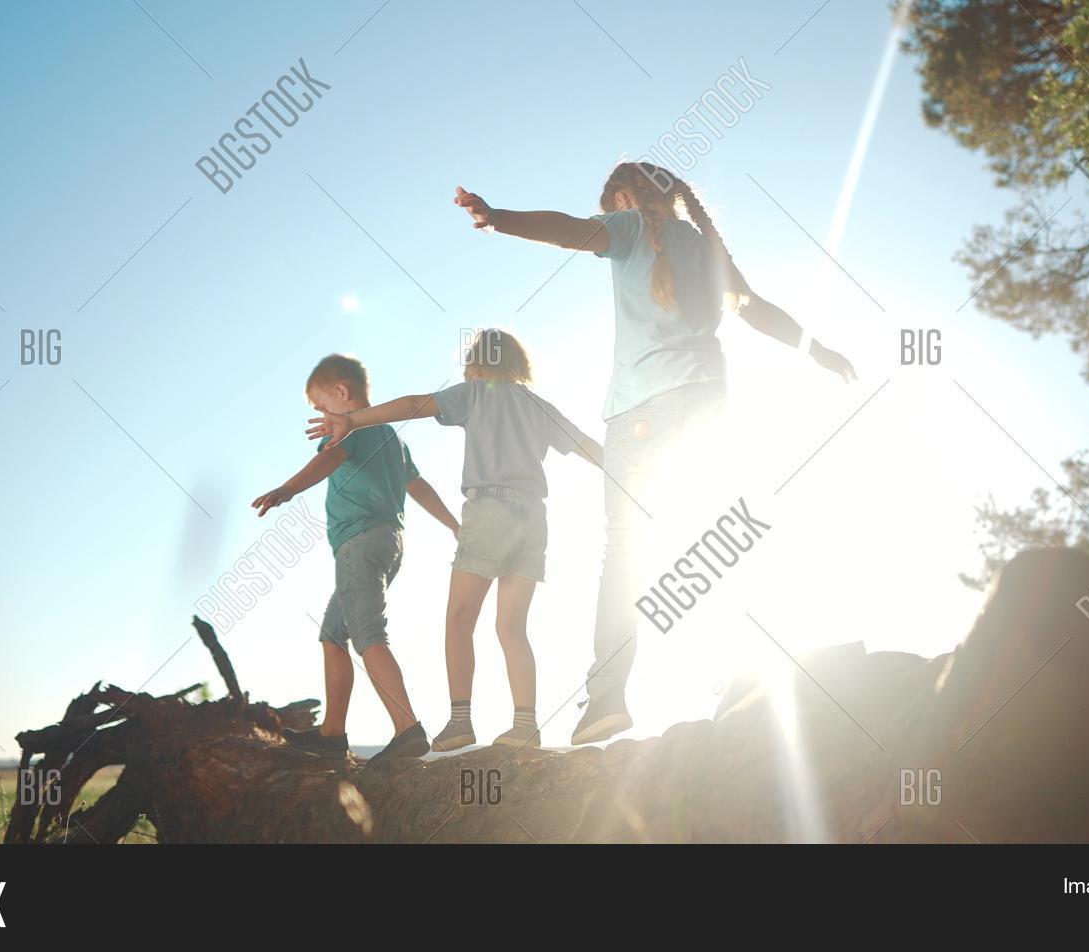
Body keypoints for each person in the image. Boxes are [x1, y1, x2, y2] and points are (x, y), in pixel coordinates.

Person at [453, 161, 857, 744]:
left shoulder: (629, 228)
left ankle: (606, 698)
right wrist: (818, 350)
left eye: (610, 204)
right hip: (710, 403)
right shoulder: (707, 246)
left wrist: (498, 218)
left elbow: (567, 230)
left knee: (626, 551)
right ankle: (749, 672)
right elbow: (758, 310)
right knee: (719, 536)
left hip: (644, 411)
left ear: (625, 198)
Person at [308, 329, 602, 750]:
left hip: (490, 509)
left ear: (479, 365)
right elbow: (585, 445)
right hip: (534, 518)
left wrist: (354, 419)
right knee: (512, 627)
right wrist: (622, 469)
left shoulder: (478, 392)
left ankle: (461, 722)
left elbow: (415, 405)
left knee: (460, 620)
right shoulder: (539, 405)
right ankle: (526, 726)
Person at [252, 353, 460, 762]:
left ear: (341, 392)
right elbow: (418, 486)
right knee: (333, 636)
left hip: (359, 542)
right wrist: (453, 524)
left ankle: (407, 728)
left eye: (321, 406)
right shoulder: (392, 437)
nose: (322, 415)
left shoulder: (350, 427)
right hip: (388, 541)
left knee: (368, 635)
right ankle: (332, 734)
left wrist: (288, 488)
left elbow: (330, 457)